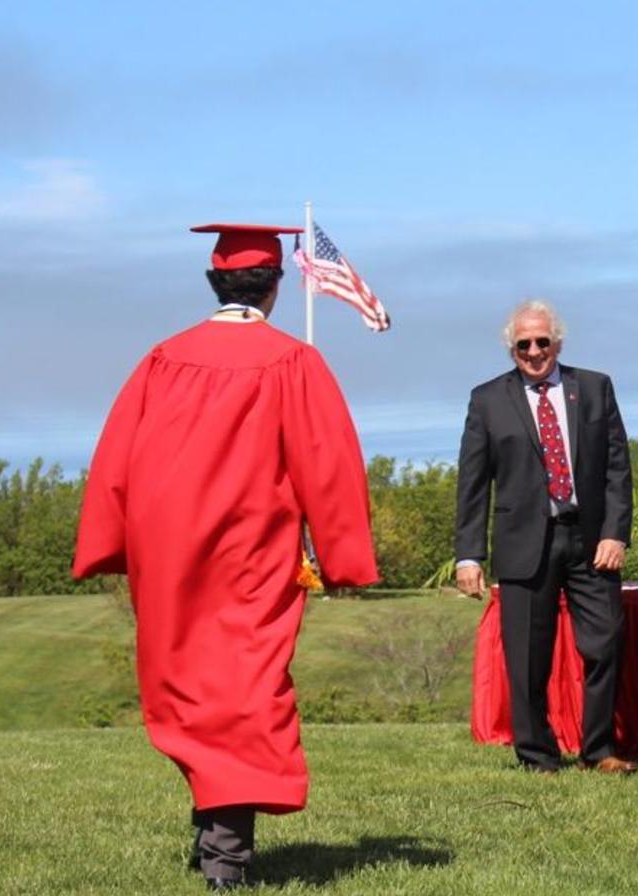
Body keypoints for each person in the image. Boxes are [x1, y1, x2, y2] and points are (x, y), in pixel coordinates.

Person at [72, 223, 378, 891]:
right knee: (243, 688)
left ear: (216, 281)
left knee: (186, 682)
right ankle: (226, 857)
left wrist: (114, 545)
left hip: (169, 557)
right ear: (273, 287)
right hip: (250, 555)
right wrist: (344, 556)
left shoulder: (162, 359)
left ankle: (213, 824)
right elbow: (327, 466)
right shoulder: (291, 361)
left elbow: (116, 461)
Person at [454, 299, 636, 775]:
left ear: (557, 342)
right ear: (511, 350)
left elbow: (618, 467)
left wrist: (616, 533)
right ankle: (538, 755)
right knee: (528, 658)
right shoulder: (487, 400)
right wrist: (468, 555)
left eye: (541, 342)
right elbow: (472, 484)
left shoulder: (594, 389)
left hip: (591, 541)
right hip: (524, 545)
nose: (534, 352)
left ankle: (598, 750)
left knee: (604, 643)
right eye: (523, 345)